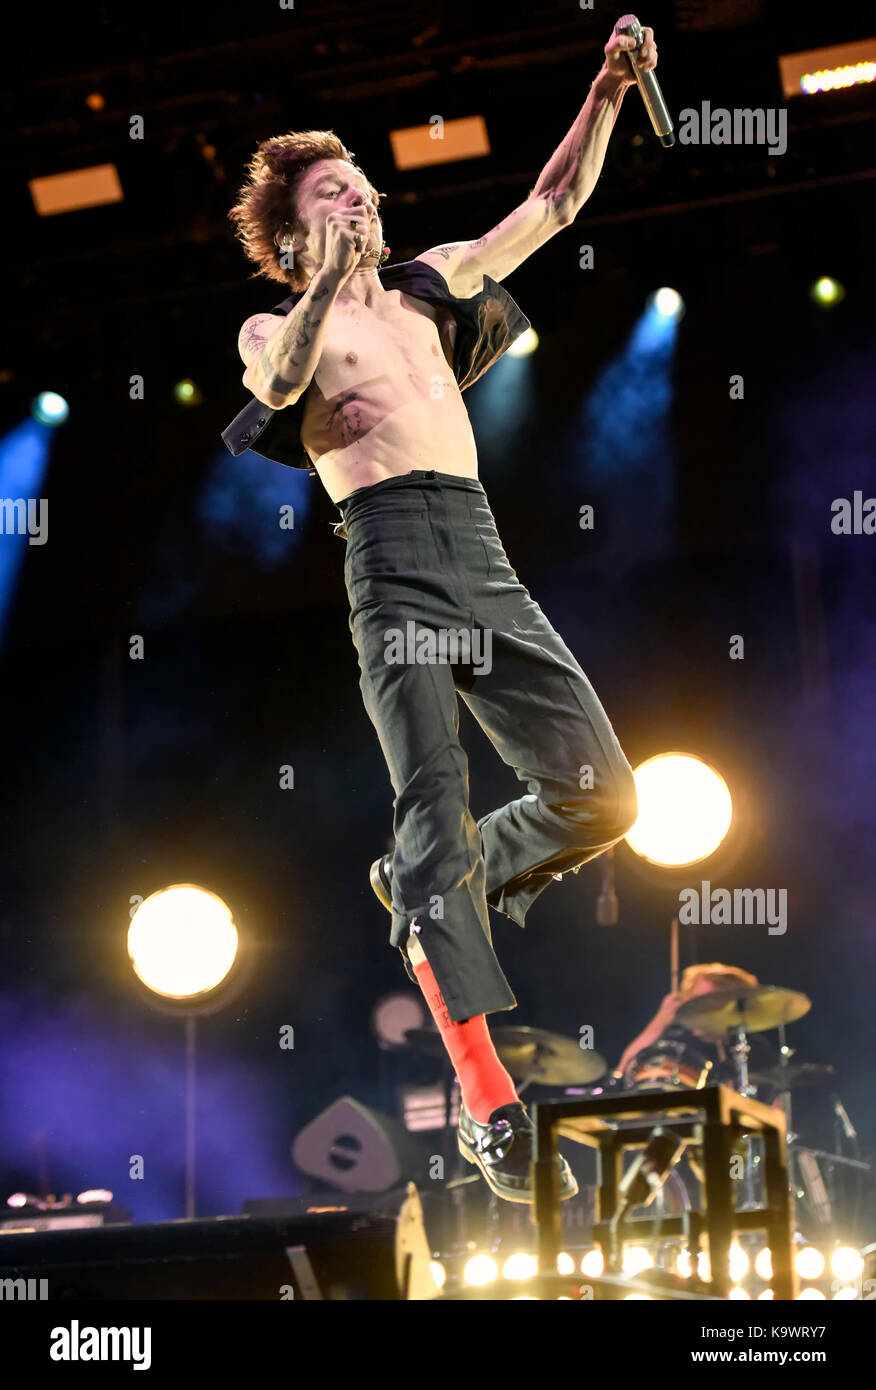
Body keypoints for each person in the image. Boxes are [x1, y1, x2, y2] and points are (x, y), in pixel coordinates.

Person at [223, 24, 659, 1205]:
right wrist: (321, 283)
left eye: (358, 175)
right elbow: (274, 388)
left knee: (604, 792)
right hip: (391, 560)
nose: (358, 191)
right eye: (330, 190)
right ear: (294, 231)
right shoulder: (281, 324)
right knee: (434, 809)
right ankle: (490, 1105)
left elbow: (553, 204)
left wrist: (606, 88)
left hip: (481, 551)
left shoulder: (428, 286)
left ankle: (431, 880)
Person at [614, 962, 776, 1090]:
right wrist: (658, 1023)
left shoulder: (754, 1048)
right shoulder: (675, 1040)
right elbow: (621, 1074)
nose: (698, 1006)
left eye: (707, 1001)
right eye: (694, 999)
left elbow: (776, 1104)